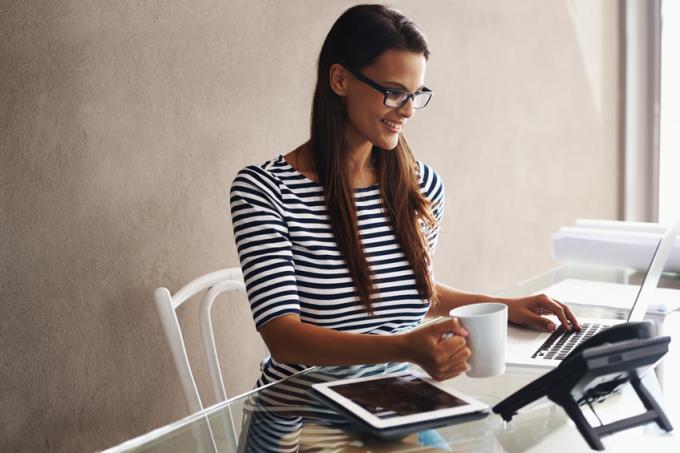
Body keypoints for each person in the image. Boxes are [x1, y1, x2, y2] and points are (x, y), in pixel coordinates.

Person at [229, 4, 581, 391]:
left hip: (394, 403)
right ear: (340, 79)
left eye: (416, 94)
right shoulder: (266, 191)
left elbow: (406, 291)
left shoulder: (420, 186)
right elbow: (284, 339)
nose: (409, 111)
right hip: (299, 415)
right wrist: (404, 348)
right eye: (394, 93)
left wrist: (503, 307)